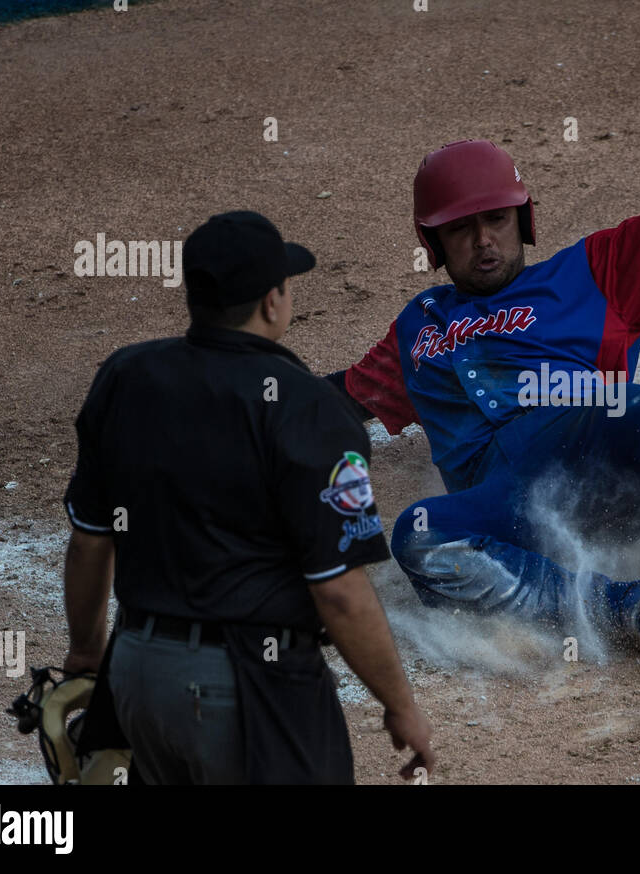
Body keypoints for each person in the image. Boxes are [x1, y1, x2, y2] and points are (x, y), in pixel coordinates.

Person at [328, 10, 640, 665]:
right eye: (462, 229)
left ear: (523, 219)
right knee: (420, 534)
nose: (483, 240)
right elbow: (328, 399)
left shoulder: (591, 271)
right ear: (434, 243)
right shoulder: (418, 326)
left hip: (596, 455)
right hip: (504, 508)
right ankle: (629, 610)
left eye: (497, 220)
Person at [61, 210, 435, 783]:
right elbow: (338, 592)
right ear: (271, 302)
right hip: (250, 688)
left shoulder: (125, 378)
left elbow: (91, 542)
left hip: (136, 672)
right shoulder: (312, 410)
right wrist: (400, 704)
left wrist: (89, 654)